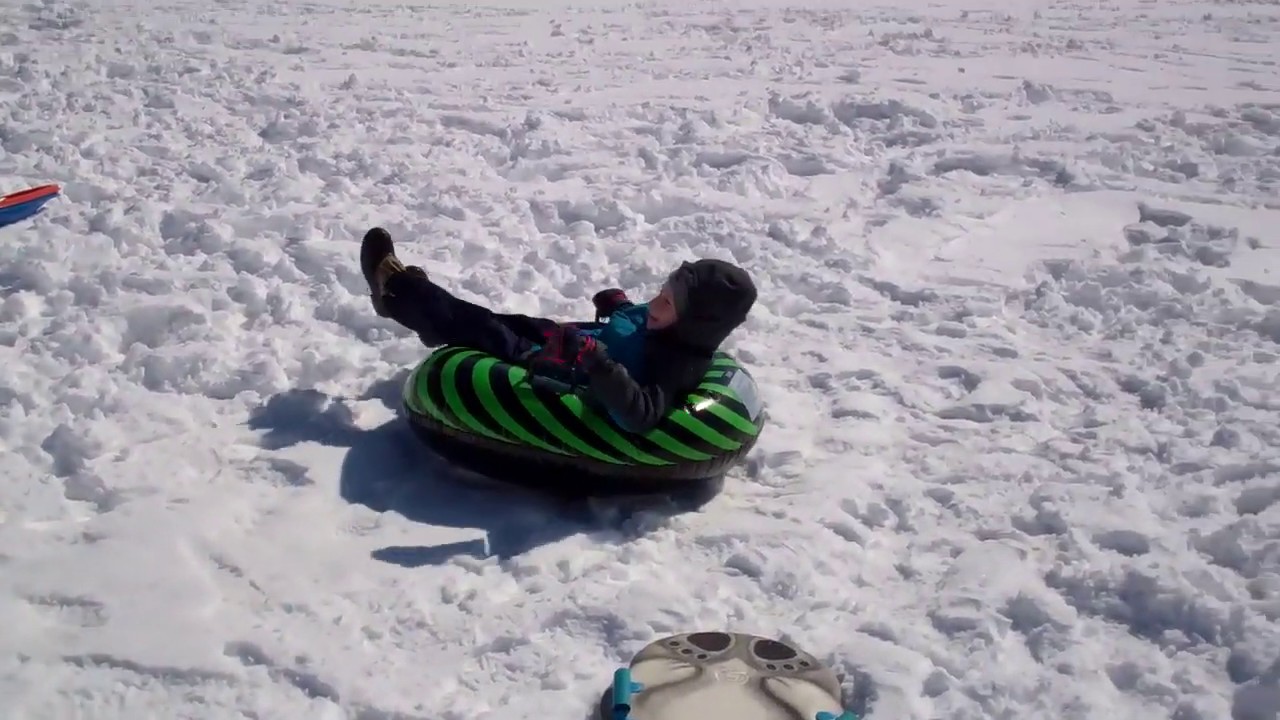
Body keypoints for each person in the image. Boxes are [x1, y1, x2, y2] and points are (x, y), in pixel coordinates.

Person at [360, 227, 756, 433]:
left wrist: (596, 362)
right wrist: (621, 309)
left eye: (667, 303)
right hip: (571, 340)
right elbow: (645, 323)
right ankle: (424, 307)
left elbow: (640, 415)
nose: (654, 304)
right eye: (660, 293)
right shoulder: (669, 325)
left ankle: (396, 289)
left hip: (559, 367)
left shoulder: (675, 363)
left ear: (695, 323)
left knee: (480, 327)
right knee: (490, 319)